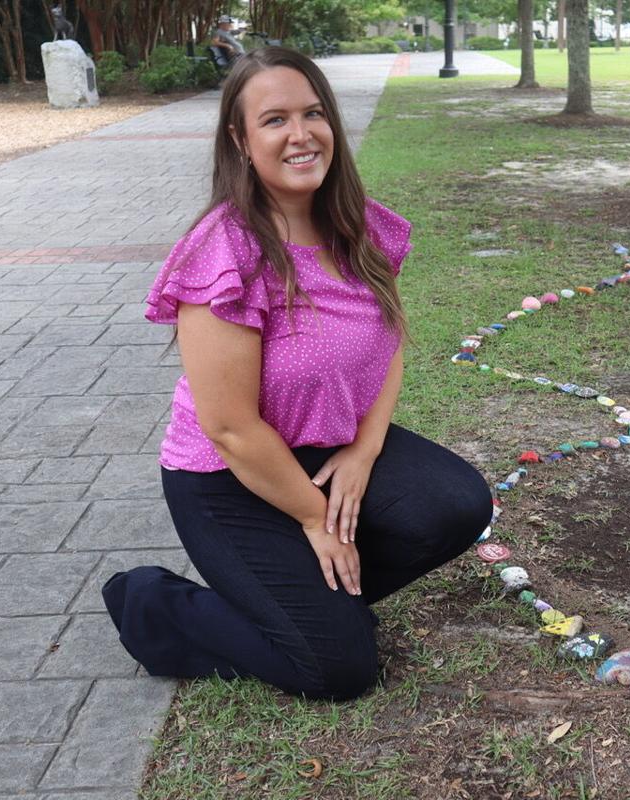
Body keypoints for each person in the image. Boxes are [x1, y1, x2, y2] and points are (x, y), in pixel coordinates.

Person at [102, 47, 492, 701]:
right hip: (226, 480)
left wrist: (365, 449)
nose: (301, 134)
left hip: (322, 448)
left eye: (313, 114)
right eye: (275, 119)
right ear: (240, 138)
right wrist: (315, 520)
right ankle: (156, 605)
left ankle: (312, 603)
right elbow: (229, 428)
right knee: (340, 670)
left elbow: (389, 345)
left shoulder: (359, 226)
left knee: (456, 505)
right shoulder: (224, 252)